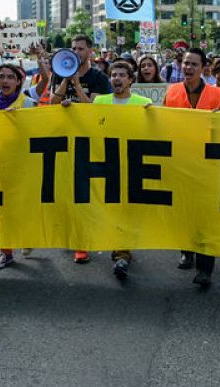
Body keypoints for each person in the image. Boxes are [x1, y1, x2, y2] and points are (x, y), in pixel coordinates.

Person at [163, 48, 220, 287]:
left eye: (193, 64)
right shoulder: (171, 92)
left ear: (203, 68)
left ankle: (205, 268)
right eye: (185, 63)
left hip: (207, 164)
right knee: (183, 211)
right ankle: (186, 251)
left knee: (206, 216)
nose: (188, 68)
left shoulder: (217, 94)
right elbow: (162, 123)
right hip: (179, 162)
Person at [89, 60, 153, 280]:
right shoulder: (100, 101)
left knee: (126, 209)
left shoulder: (143, 103)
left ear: (131, 80)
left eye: (122, 75)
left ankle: (122, 254)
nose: (117, 78)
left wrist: (151, 115)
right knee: (109, 207)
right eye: (113, 75)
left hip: (132, 163)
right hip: (105, 162)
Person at [51, 35, 112, 263]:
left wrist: (77, 86)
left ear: (90, 51)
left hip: (87, 139)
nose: (76, 52)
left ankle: (81, 242)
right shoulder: (59, 72)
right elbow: (52, 104)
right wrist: (65, 81)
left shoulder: (99, 78)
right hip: (62, 138)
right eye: (74, 48)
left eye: (81, 49)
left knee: (83, 192)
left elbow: (93, 109)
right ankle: (71, 233)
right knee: (64, 190)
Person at [0, 63, 38, 271]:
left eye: (10, 77)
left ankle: (27, 236)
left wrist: (21, 121)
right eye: (1, 76)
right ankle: (6, 252)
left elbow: (40, 132)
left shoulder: (28, 104)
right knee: (2, 211)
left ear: (19, 81)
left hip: (22, 166)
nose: (5, 80)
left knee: (22, 208)